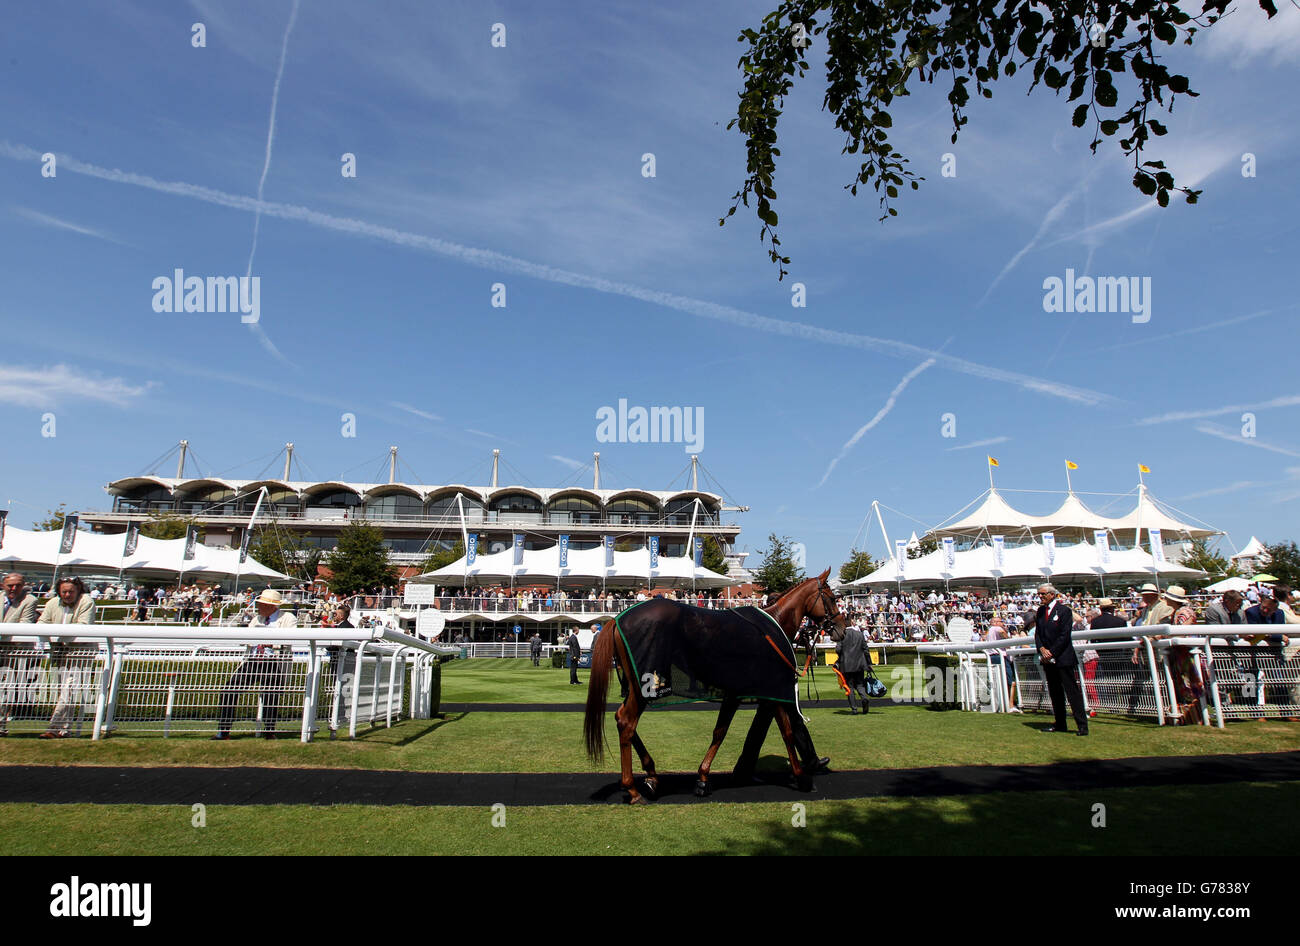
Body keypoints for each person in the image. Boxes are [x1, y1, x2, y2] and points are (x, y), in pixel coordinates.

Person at [213, 589, 297, 740]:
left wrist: (271, 642)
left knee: (270, 696)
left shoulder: (288, 618)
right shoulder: (256, 619)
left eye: (261, 604)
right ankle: (224, 731)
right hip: (253, 661)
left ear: (272, 606)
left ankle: (269, 731)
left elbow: (291, 639)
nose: (258, 607)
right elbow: (247, 638)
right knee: (228, 689)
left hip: (273, 662)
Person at [37, 577, 96, 738]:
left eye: (71, 591)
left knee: (68, 690)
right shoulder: (52, 603)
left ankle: (53, 728)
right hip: (59, 652)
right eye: (64, 592)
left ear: (78, 591)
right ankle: (65, 729)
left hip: (80, 652)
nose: (68, 594)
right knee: (63, 691)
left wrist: (55, 632)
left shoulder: (86, 601)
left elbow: (83, 626)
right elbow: (42, 622)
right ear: (59, 592)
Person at [1034, 583, 1087, 735]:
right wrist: (1042, 649)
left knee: (1072, 693)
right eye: (1039, 594)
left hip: (1063, 658)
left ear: (1052, 594)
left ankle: (1082, 725)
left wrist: (1051, 652)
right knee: (1055, 693)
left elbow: (1065, 635)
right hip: (1048, 659)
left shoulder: (1064, 611)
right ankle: (1060, 723)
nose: (1040, 596)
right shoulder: (1040, 611)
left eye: (1043, 594)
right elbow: (1038, 634)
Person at [327, 604, 355, 738]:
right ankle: (338, 714)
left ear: (342, 616)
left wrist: (328, 647)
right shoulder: (347, 626)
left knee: (338, 690)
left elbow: (337, 645)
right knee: (340, 691)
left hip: (340, 662)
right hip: (343, 662)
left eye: (337, 614)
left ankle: (337, 715)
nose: (334, 616)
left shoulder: (345, 628)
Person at [835, 621, 870, 714]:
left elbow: (838, 649)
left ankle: (854, 709)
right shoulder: (860, 634)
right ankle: (864, 698)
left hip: (846, 666)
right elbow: (866, 649)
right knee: (860, 685)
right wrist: (869, 664)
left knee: (849, 687)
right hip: (860, 664)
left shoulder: (842, 635)